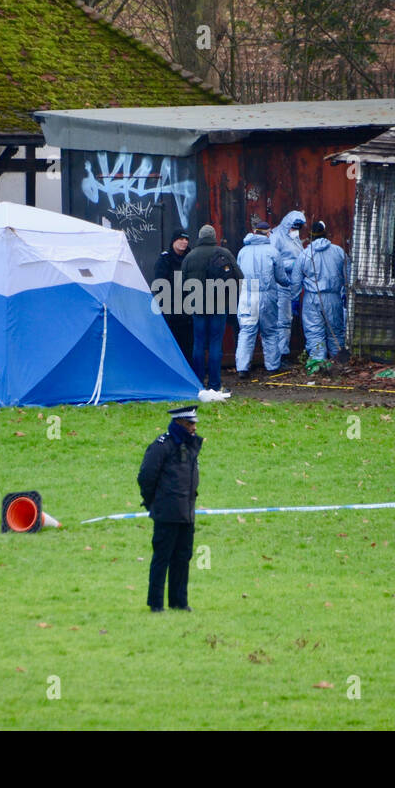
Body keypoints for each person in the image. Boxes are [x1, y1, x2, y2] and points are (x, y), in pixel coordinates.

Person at [138, 405, 203, 612]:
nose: (194, 427)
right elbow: (146, 477)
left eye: (194, 423)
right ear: (179, 423)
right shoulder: (161, 446)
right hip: (167, 513)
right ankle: (156, 603)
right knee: (162, 559)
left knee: (183, 558)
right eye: (189, 423)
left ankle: (179, 601)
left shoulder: (190, 445)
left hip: (186, 512)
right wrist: (153, 503)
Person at [181, 224, 242, 393]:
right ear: (214, 236)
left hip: (198, 307)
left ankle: (198, 384)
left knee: (198, 344)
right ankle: (215, 385)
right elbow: (239, 276)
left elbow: (182, 284)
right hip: (219, 306)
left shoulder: (190, 257)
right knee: (216, 344)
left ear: (200, 237)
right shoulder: (224, 253)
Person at [233, 221, 289, 380]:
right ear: (268, 233)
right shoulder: (272, 251)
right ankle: (272, 366)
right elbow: (281, 277)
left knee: (246, 332)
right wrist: (288, 283)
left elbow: (238, 274)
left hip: (247, 296)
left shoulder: (243, 252)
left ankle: (242, 368)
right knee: (270, 332)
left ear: (254, 232)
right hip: (267, 296)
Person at [291, 220, 350, 362]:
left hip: (312, 298)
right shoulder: (338, 251)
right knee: (336, 331)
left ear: (310, 236)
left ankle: (318, 364)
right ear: (326, 234)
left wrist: (295, 299)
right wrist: (346, 294)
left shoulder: (305, 254)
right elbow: (348, 274)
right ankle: (338, 363)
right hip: (334, 297)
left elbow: (296, 280)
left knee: (314, 332)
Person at [270, 210, 306, 365]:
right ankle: (280, 355)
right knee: (282, 321)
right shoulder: (276, 237)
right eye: (293, 228)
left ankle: (282, 353)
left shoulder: (294, 239)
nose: (295, 231)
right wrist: (294, 265)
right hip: (281, 286)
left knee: (287, 320)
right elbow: (273, 260)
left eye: (298, 228)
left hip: (292, 286)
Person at [153, 229, 193, 361]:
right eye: (181, 239)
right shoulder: (165, 259)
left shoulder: (191, 257)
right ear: (174, 241)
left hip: (188, 309)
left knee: (187, 344)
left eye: (186, 239)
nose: (184, 242)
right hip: (171, 309)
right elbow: (159, 284)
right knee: (171, 344)